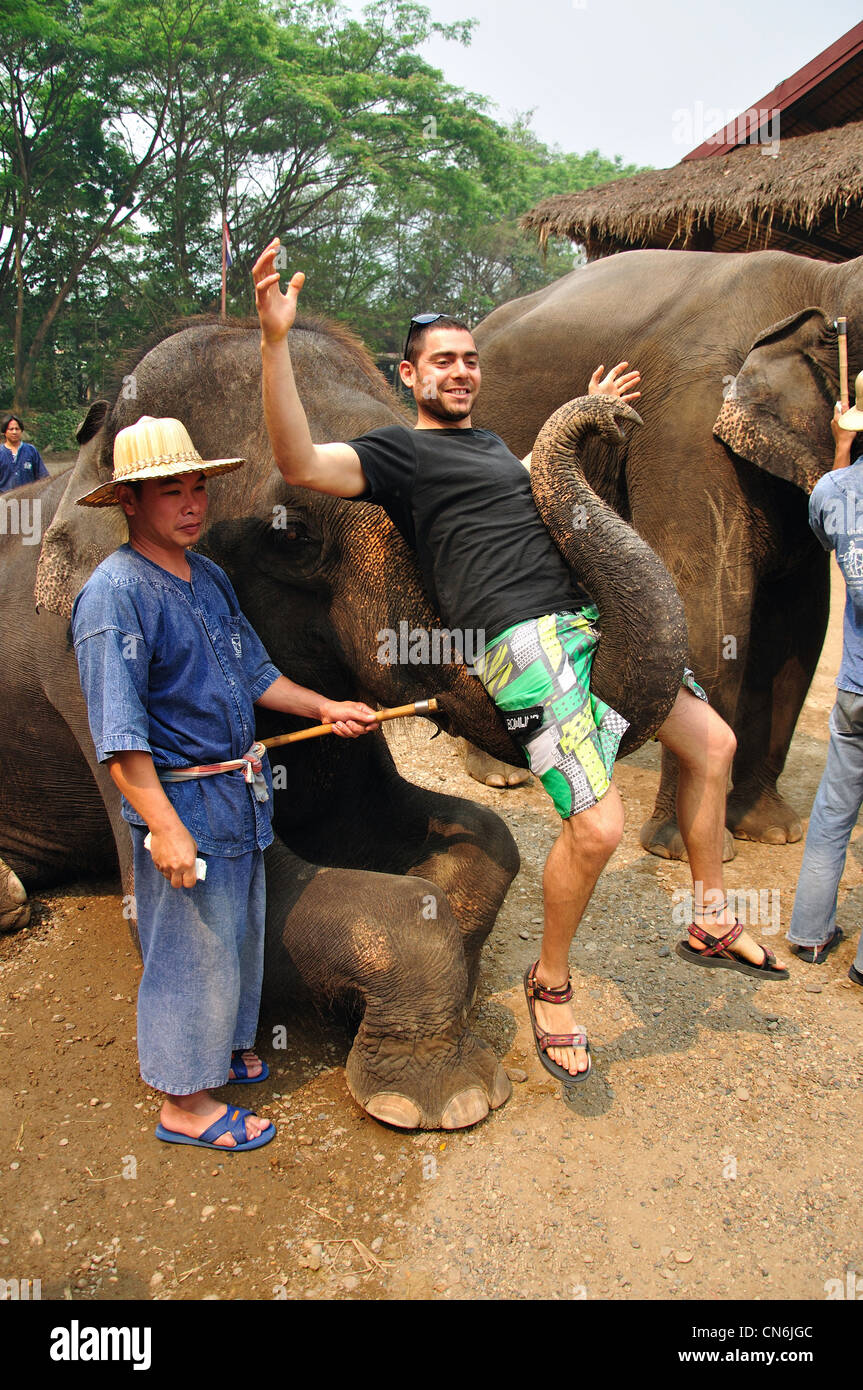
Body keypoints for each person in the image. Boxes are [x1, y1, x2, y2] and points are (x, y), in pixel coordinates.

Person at [252, 239, 789, 1088]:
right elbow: (299, 462)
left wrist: (580, 412)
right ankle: (551, 982)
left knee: (714, 748)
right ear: (408, 375)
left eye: (468, 360)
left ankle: (710, 916)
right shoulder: (400, 454)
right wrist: (275, 342)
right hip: (523, 649)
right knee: (599, 826)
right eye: (442, 362)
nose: (460, 372)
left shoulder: (498, 448)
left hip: (588, 623)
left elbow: (549, 488)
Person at [71, 415, 377, 1151]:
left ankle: (220, 1053)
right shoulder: (114, 597)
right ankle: (183, 1100)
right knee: (188, 950)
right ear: (128, 504)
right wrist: (165, 829)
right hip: (180, 801)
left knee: (232, 937)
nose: (191, 504)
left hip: (236, 794)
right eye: (168, 491)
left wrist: (325, 706)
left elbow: (253, 672)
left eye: (197, 487)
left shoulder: (205, 576)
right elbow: (119, 735)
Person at [787, 375, 863, 987]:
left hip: (854, 693)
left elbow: (826, 525)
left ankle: (809, 934)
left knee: (832, 814)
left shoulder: (837, 490)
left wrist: (843, 445)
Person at [0, 413, 48, 492]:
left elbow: (43, 477)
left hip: (29, 499)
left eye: (17, 429)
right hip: (4, 501)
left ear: (21, 431)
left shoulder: (31, 451)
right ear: (5, 432)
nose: (14, 432)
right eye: (11, 429)